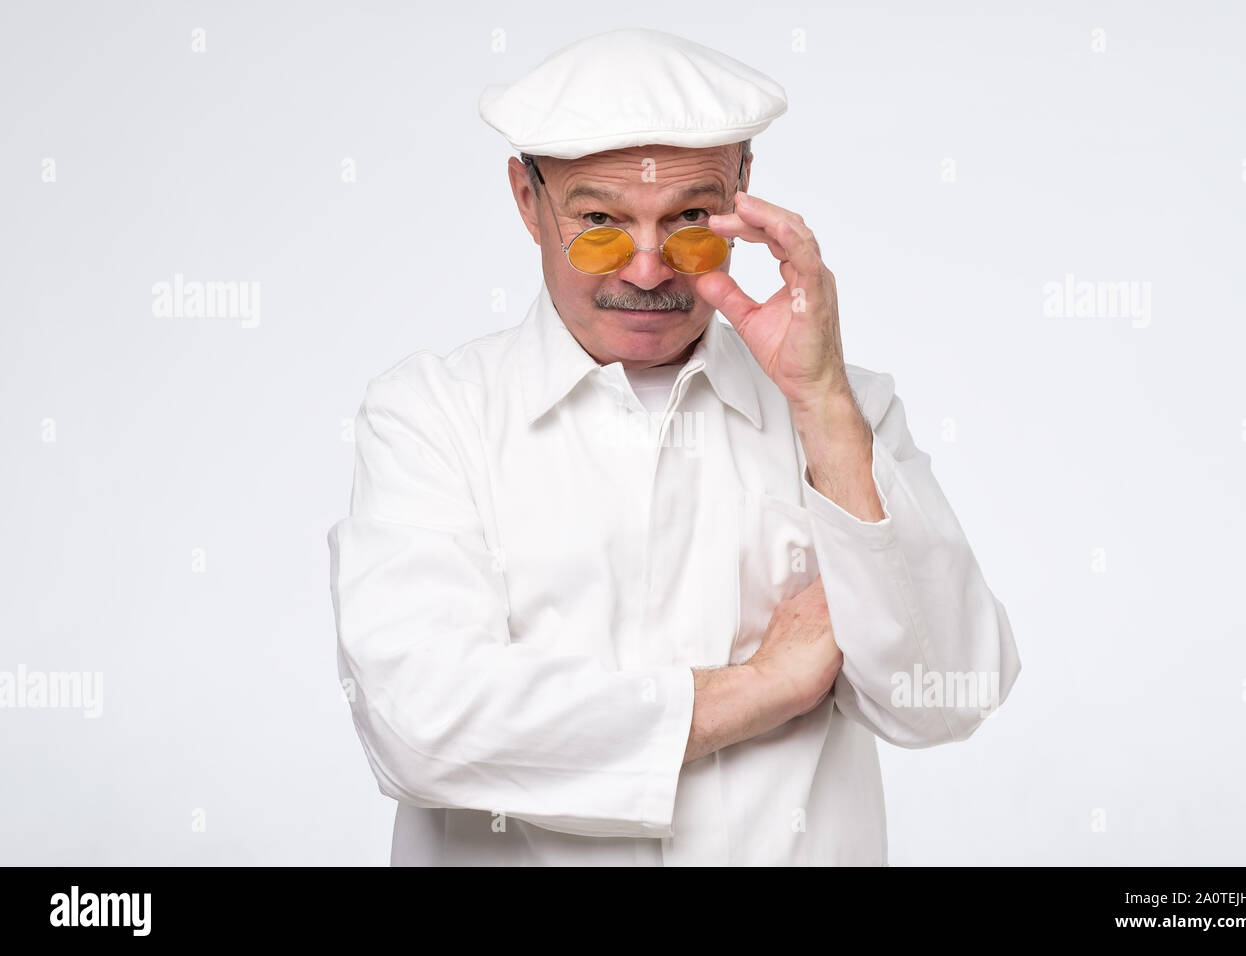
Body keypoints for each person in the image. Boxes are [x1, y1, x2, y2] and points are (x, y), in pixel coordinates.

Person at [327, 27, 1022, 866]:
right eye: (600, 223)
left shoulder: (845, 410)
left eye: (692, 218)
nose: (650, 269)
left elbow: (949, 698)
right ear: (527, 201)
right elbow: (422, 726)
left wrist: (824, 404)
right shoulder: (432, 415)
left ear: (744, 189)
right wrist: (762, 687)